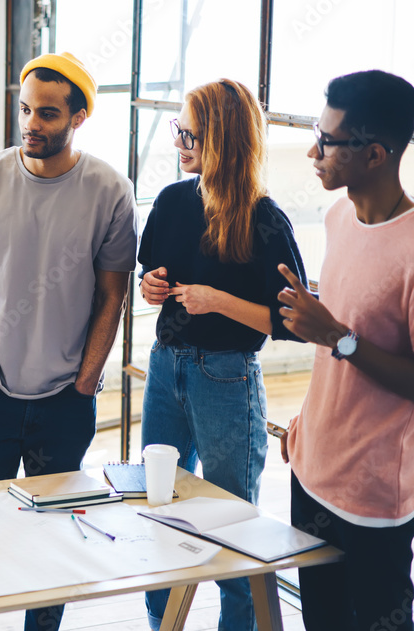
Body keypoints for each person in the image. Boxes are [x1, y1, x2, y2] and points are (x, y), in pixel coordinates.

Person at [0, 52, 137, 631]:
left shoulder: (109, 190)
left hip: (65, 399)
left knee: (53, 536)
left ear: (78, 117)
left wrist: (87, 378)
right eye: (25, 108)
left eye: (48, 114)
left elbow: (113, 293)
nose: (31, 123)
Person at [137, 78, 306, 631]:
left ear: (223, 141)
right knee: (160, 512)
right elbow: (149, 277)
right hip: (166, 367)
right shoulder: (171, 201)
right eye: (178, 129)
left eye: (190, 133)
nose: (179, 142)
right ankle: (163, 623)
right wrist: (153, 289)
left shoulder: (265, 220)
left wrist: (218, 302)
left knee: (232, 525)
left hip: (226, 379)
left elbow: (289, 324)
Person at [277, 70, 414, 631]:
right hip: (311, 470)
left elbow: (342, 340)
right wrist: (307, 423)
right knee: (321, 622)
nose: (313, 150)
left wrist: (336, 335)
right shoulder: (337, 218)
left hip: (374, 494)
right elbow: (332, 351)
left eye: (327, 141)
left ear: (375, 154)